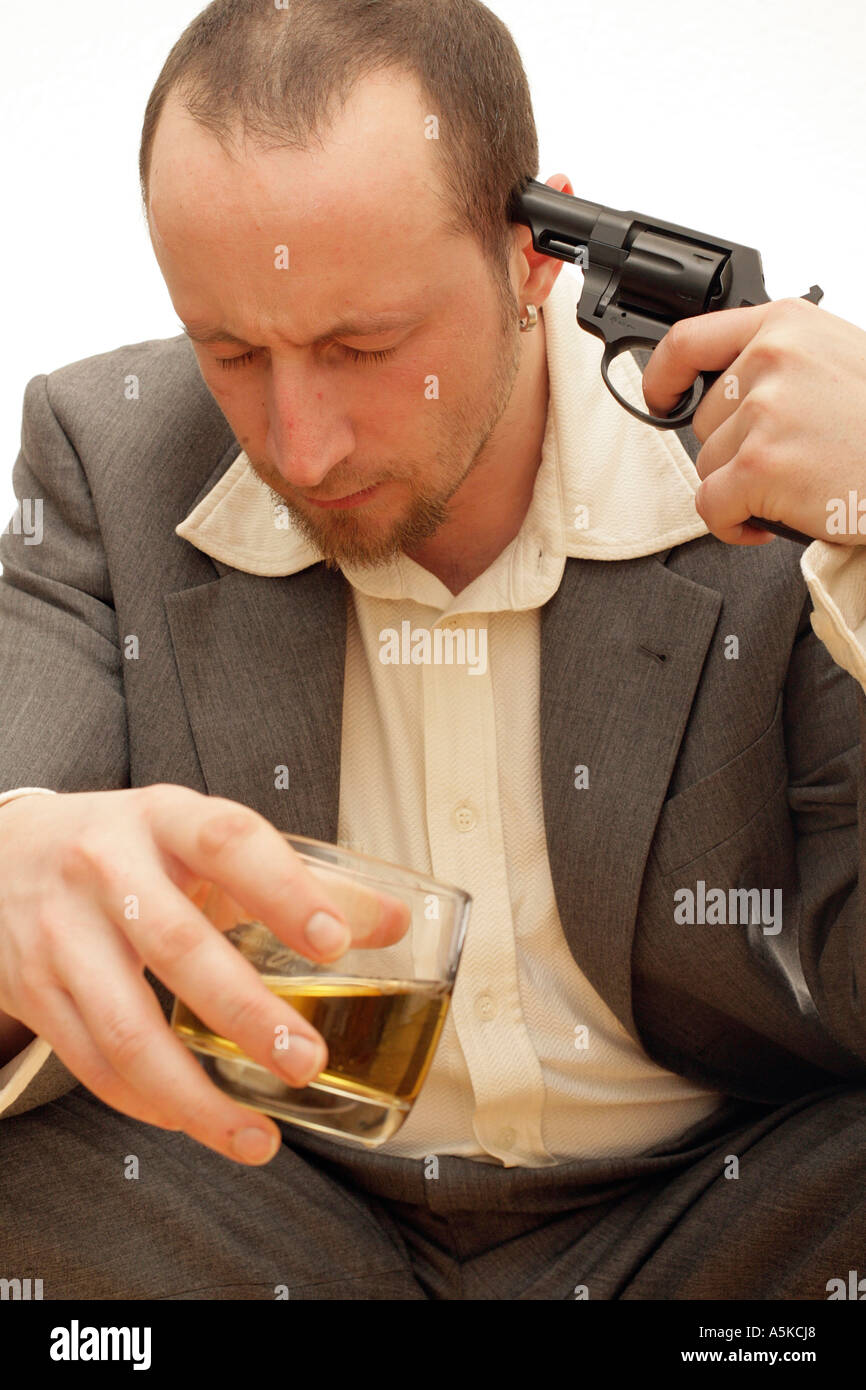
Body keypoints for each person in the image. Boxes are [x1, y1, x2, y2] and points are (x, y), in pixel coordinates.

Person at [1, 0, 866, 1301]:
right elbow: (30, 848)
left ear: (531, 255)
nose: (300, 446)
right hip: (272, 1223)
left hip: (726, 1213)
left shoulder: (783, 474)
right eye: (230, 349)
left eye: (362, 348)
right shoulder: (101, 451)